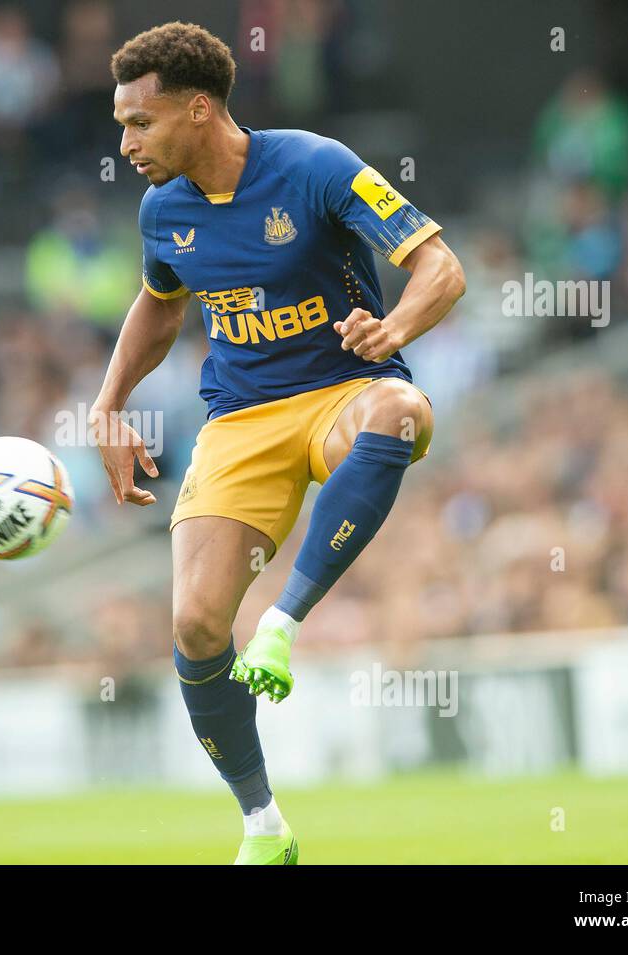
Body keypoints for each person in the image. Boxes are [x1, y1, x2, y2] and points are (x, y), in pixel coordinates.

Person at [91, 22, 464, 864]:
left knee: (400, 409)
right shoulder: (163, 210)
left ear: (197, 109)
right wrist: (109, 401)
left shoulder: (316, 165)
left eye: (138, 124)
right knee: (192, 624)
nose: (125, 144)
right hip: (241, 420)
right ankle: (263, 823)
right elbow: (160, 302)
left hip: (339, 393)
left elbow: (442, 266)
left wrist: (393, 326)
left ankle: (285, 622)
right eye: (120, 125)